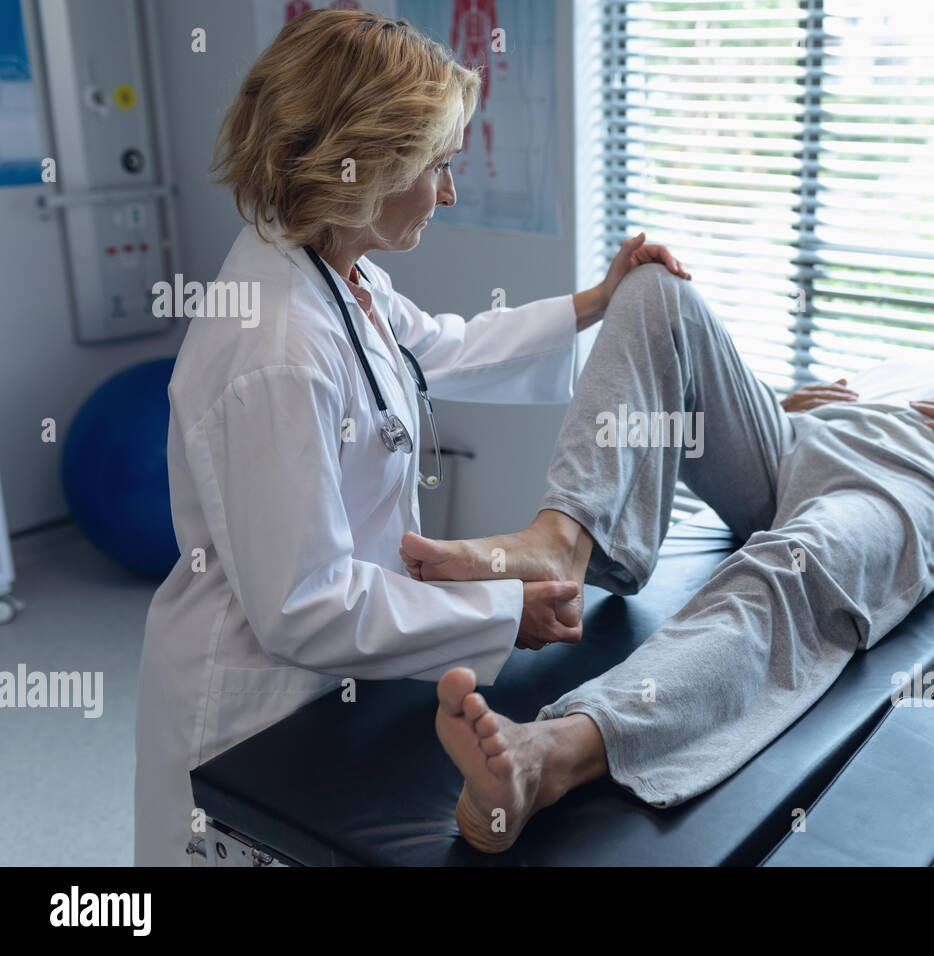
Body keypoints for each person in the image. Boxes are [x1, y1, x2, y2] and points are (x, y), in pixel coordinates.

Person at [133, 9, 688, 865]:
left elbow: (441, 347)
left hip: (334, 680)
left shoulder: (330, 270)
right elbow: (305, 607)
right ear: (367, 167)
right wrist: (500, 611)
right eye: (439, 165)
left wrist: (595, 302)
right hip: (253, 707)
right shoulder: (277, 349)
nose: (450, 191)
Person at [399, 263, 934, 853]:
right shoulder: (913, 363)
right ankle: (562, 538)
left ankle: (549, 754)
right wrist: (788, 406)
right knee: (656, 290)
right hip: (793, 446)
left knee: (783, 573)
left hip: (903, 488)